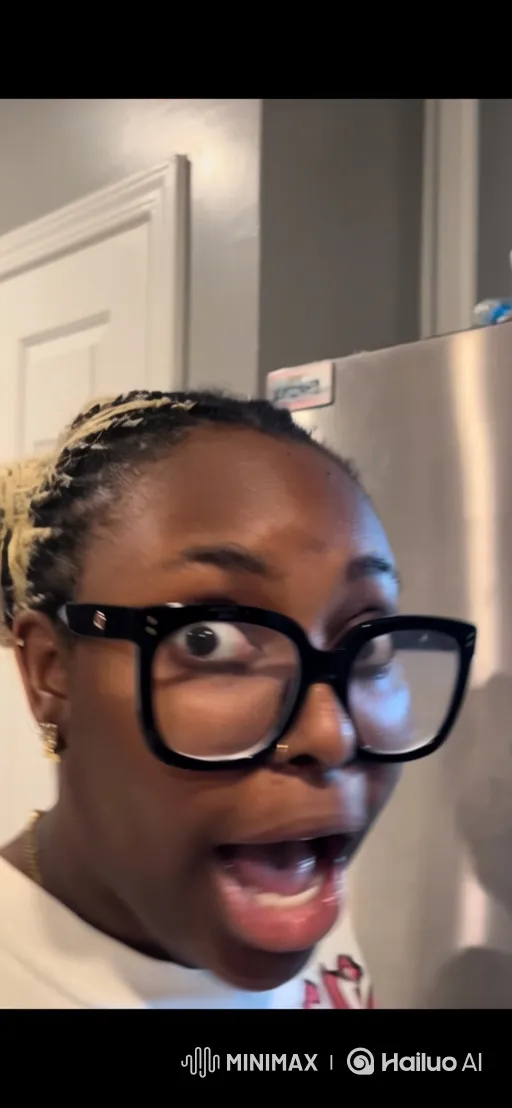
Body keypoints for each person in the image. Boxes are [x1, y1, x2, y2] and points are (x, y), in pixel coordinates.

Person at [0, 389, 476, 1009]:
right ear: (50, 672)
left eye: (367, 646)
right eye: (207, 640)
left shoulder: (284, 881)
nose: (332, 737)